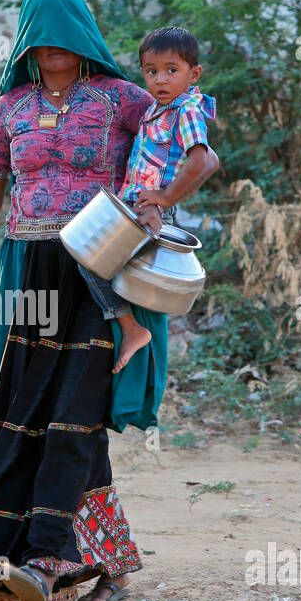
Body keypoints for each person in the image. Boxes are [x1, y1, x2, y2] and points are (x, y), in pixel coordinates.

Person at [0, 0, 220, 601]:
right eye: (41, 36)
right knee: (23, 412)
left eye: (66, 35)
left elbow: (186, 145)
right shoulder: (10, 108)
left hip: (97, 268)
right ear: (26, 43)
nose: (53, 47)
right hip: (26, 272)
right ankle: (26, 559)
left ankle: (48, 560)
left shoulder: (126, 99)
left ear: (85, 38)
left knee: (75, 413)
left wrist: (160, 204)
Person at [76, 25, 217, 374]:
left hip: (151, 211)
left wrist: (165, 199)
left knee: (92, 260)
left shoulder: (186, 110)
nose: (161, 80)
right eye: (152, 72)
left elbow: (203, 160)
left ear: (193, 74)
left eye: (172, 70)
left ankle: (132, 332)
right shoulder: (158, 110)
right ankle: (129, 330)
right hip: (132, 207)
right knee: (98, 262)